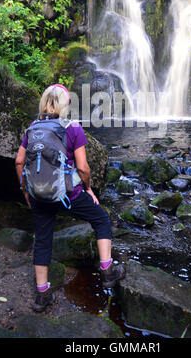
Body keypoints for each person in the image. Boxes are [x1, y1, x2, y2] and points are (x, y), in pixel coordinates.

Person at [15, 83, 125, 312]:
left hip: (39, 195)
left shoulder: (33, 128)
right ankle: (107, 271)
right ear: (65, 105)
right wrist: (89, 189)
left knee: (43, 239)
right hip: (68, 193)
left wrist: (25, 190)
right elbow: (83, 168)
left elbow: (18, 162)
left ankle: (42, 295)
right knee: (101, 219)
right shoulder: (72, 127)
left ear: (44, 102)